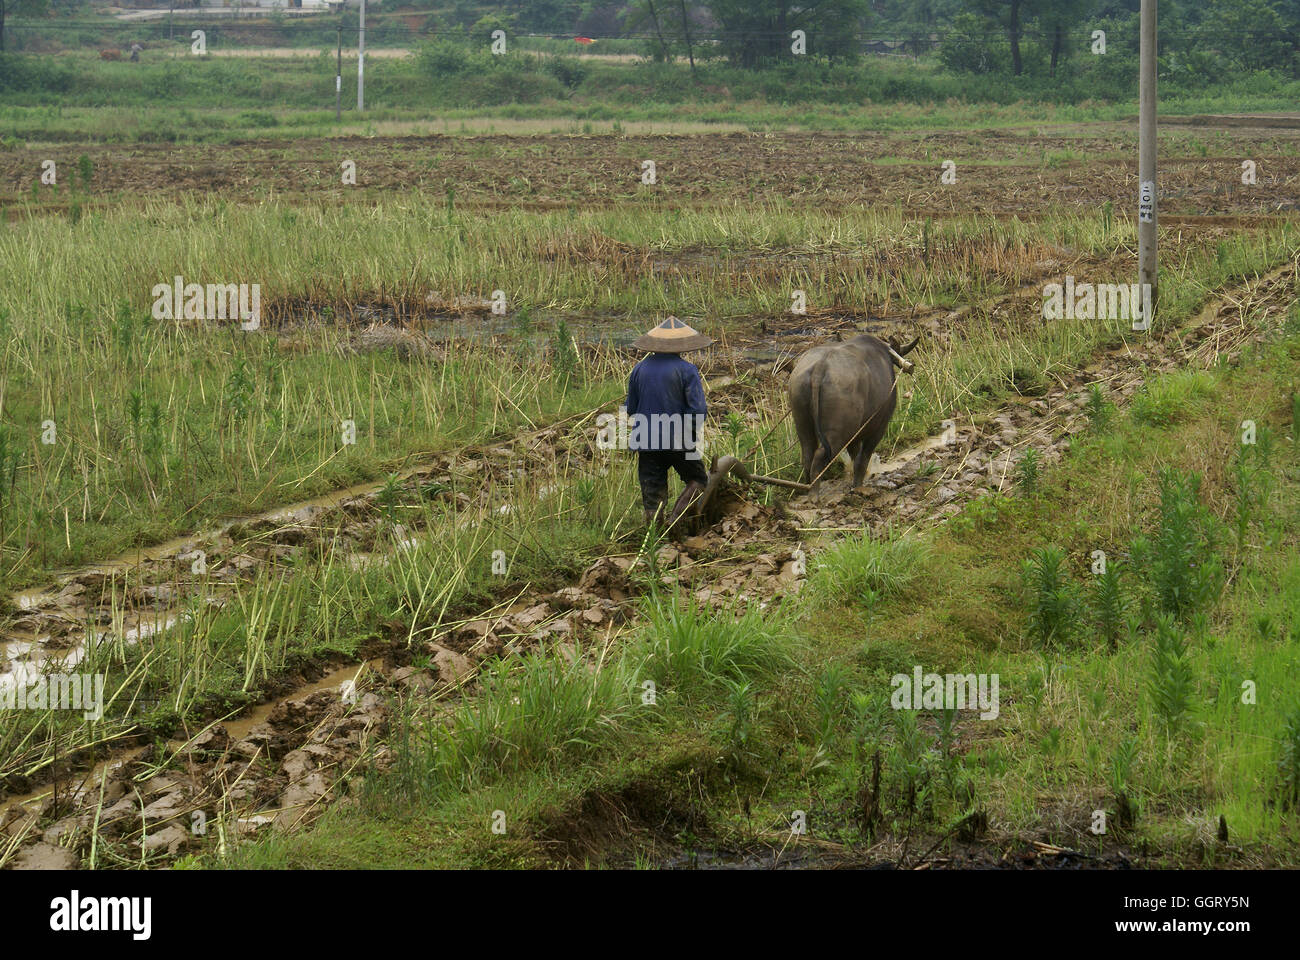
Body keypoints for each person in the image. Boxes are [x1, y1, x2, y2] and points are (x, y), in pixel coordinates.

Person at [625, 317, 712, 526]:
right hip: (678, 438)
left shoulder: (639, 369)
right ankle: (675, 522)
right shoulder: (687, 370)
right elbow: (697, 410)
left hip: (645, 438)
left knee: (652, 493)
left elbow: (631, 409)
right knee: (698, 480)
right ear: (681, 346)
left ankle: (654, 537)